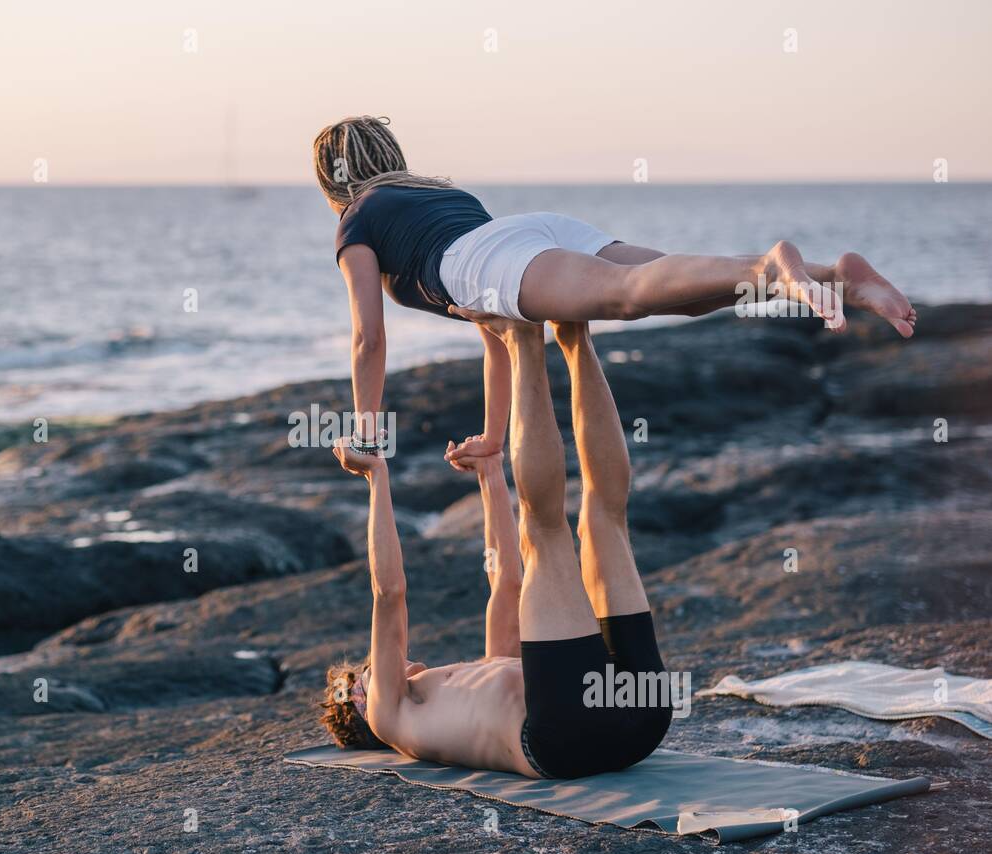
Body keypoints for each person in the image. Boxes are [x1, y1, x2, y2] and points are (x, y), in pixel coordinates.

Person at [314, 115, 917, 460]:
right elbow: (495, 335)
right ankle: (837, 277)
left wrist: (367, 435)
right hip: (536, 229)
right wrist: (493, 439)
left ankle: (772, 264)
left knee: (630, 294)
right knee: (668, 291)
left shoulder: (357, 220)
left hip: (492, 257)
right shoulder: (439, 193)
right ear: (390, 152)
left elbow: (369, 336)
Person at [320, 318, 674, 779]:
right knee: (545, 533)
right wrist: (375, 477)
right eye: (365, 670)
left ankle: (574, 334)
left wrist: (489, 475)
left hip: (637, 721)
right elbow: (389, 592)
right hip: (563, 737)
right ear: (359, 698)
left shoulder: (480, 676)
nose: (378, 662)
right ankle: (523, 336)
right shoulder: (390, 717)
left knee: (603, 518)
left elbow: (507, 580)